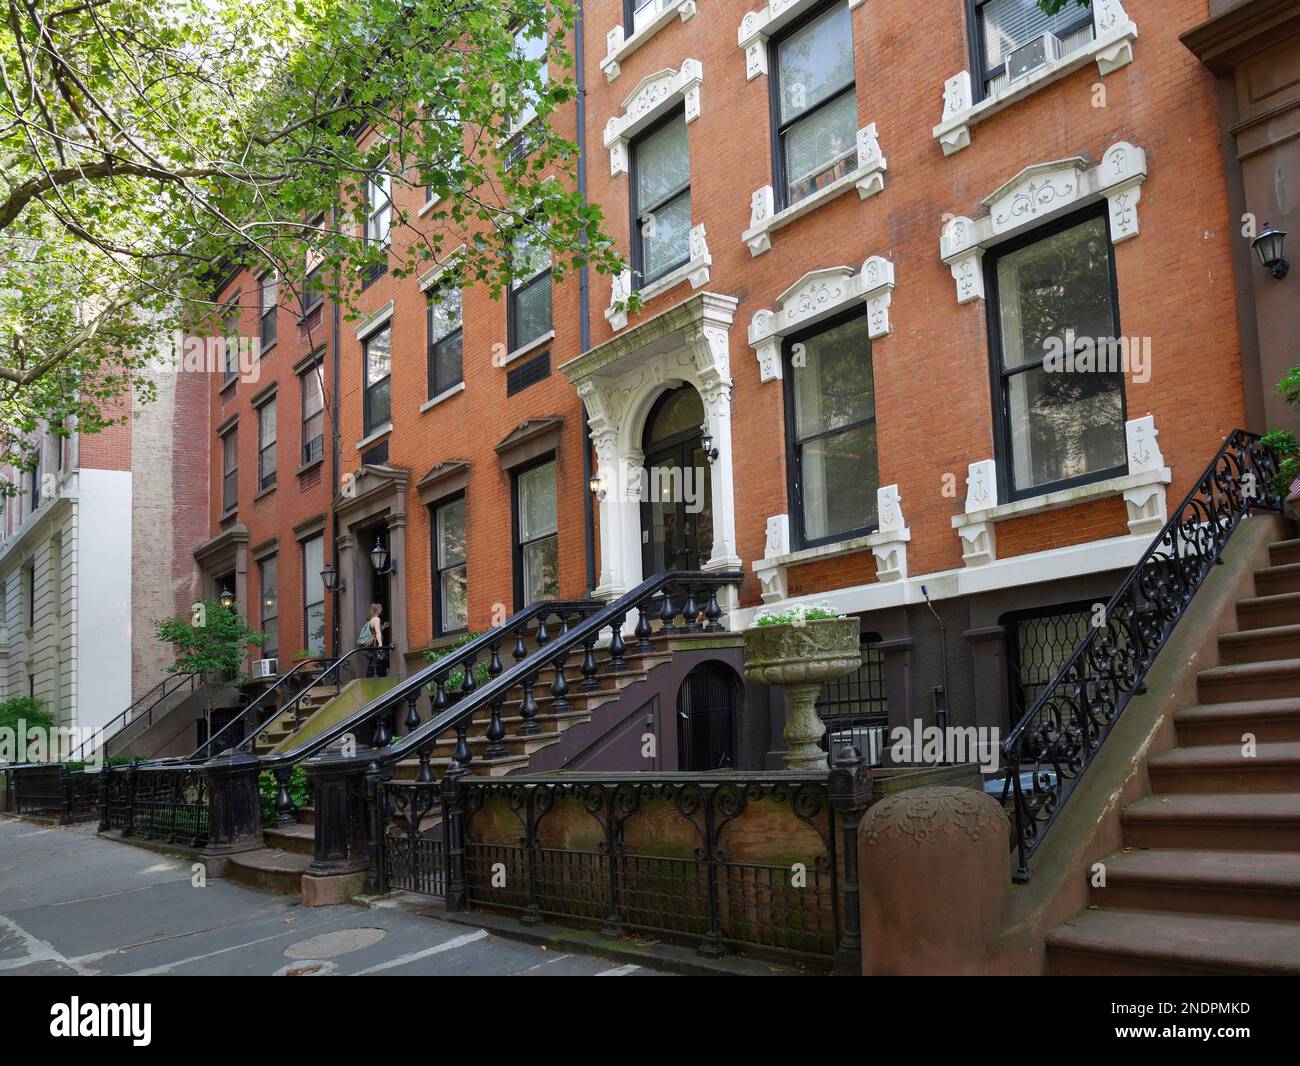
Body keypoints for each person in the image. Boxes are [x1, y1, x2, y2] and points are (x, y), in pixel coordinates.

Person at [359, 603, 390, 678]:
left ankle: (371, 676)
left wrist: (383, 627)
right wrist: (380, 645)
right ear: (378, 610)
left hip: (370, 645)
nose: (382, 610)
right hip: (374, 645)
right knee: (376, 661)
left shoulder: (370, 620)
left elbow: (373, 632)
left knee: (373, 661)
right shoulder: (376, 619)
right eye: (381, 608)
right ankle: (372, 676)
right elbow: (377, 633)